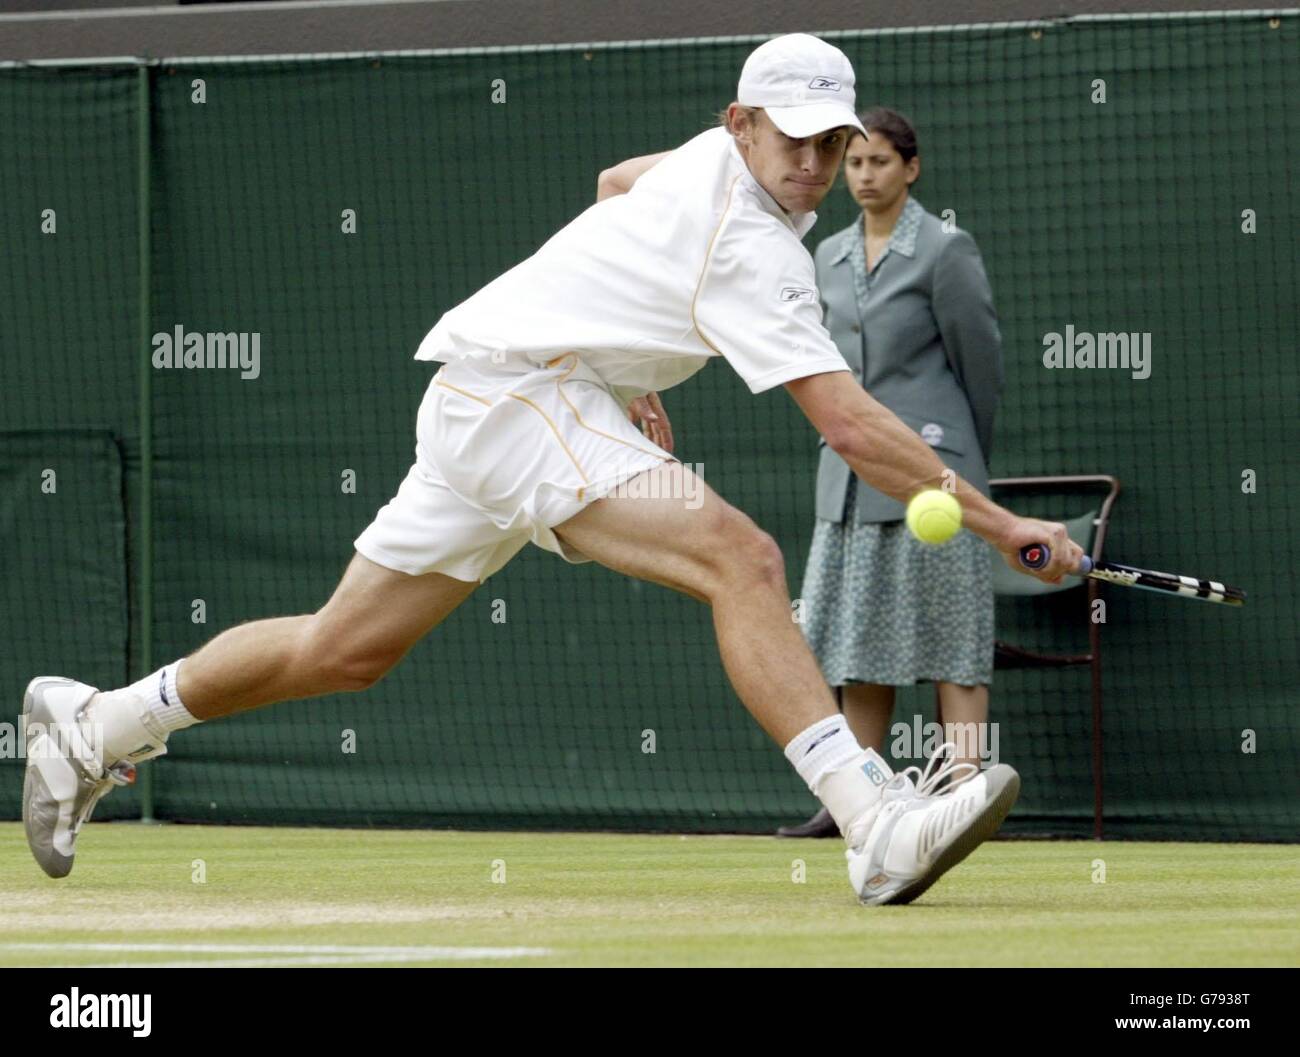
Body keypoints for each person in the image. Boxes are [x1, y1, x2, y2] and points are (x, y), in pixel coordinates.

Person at [21, 34, 1081, 906]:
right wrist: (1000, 528)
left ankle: (99, 725)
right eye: (791, 138)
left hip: (482, 405)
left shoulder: (707, 164)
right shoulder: (757, 249)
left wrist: (628, 373)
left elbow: (618, 183)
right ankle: (875, 822)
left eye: (829, 140)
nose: (810, 162)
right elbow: (847, 423)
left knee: (343, 650)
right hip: (525, 398)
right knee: (742, 559)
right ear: (741, 124)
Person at [780, 108, 1004, 838]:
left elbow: (980, 365)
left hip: (934, 474)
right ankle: (858, 801)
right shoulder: (825, 256)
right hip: (847, 477)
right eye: (854, 163)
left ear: (911, 169)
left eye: (880, 162)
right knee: (853, 642)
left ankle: (965, 790)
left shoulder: (946, 249)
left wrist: (960, 459)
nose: (865, 175)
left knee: (954, 643)